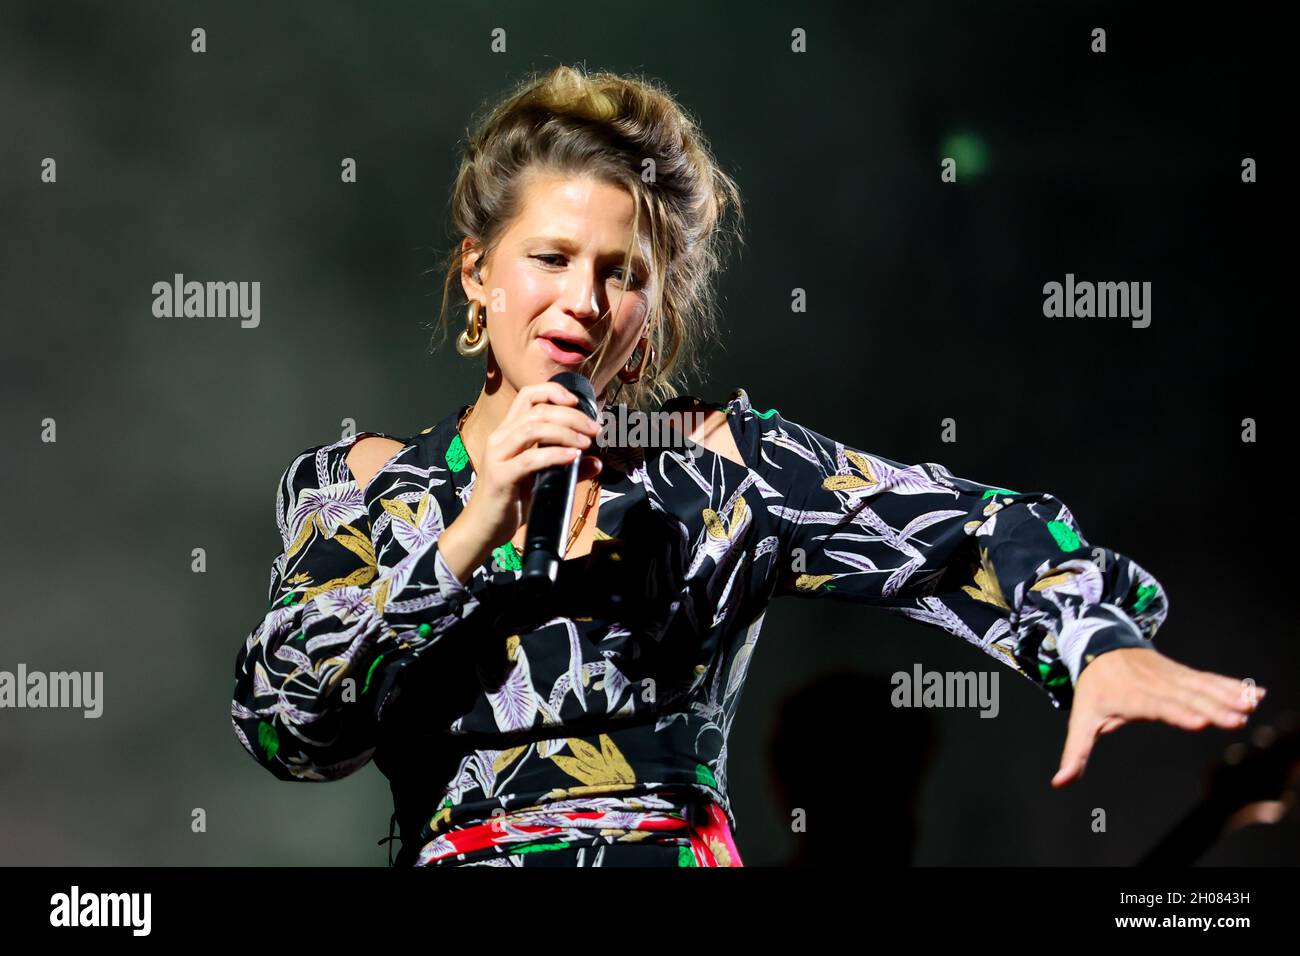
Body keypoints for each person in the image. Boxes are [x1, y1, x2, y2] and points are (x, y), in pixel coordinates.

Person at [231, 65, 1266, 867]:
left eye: (622, 273)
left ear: (652, 308)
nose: (582, 302)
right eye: (549, 256)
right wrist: (463, 535)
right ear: (477, 271)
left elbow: (973, 527)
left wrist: (1090, 640)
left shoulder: (723, 460)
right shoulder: (366, 481)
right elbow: (288, 728)